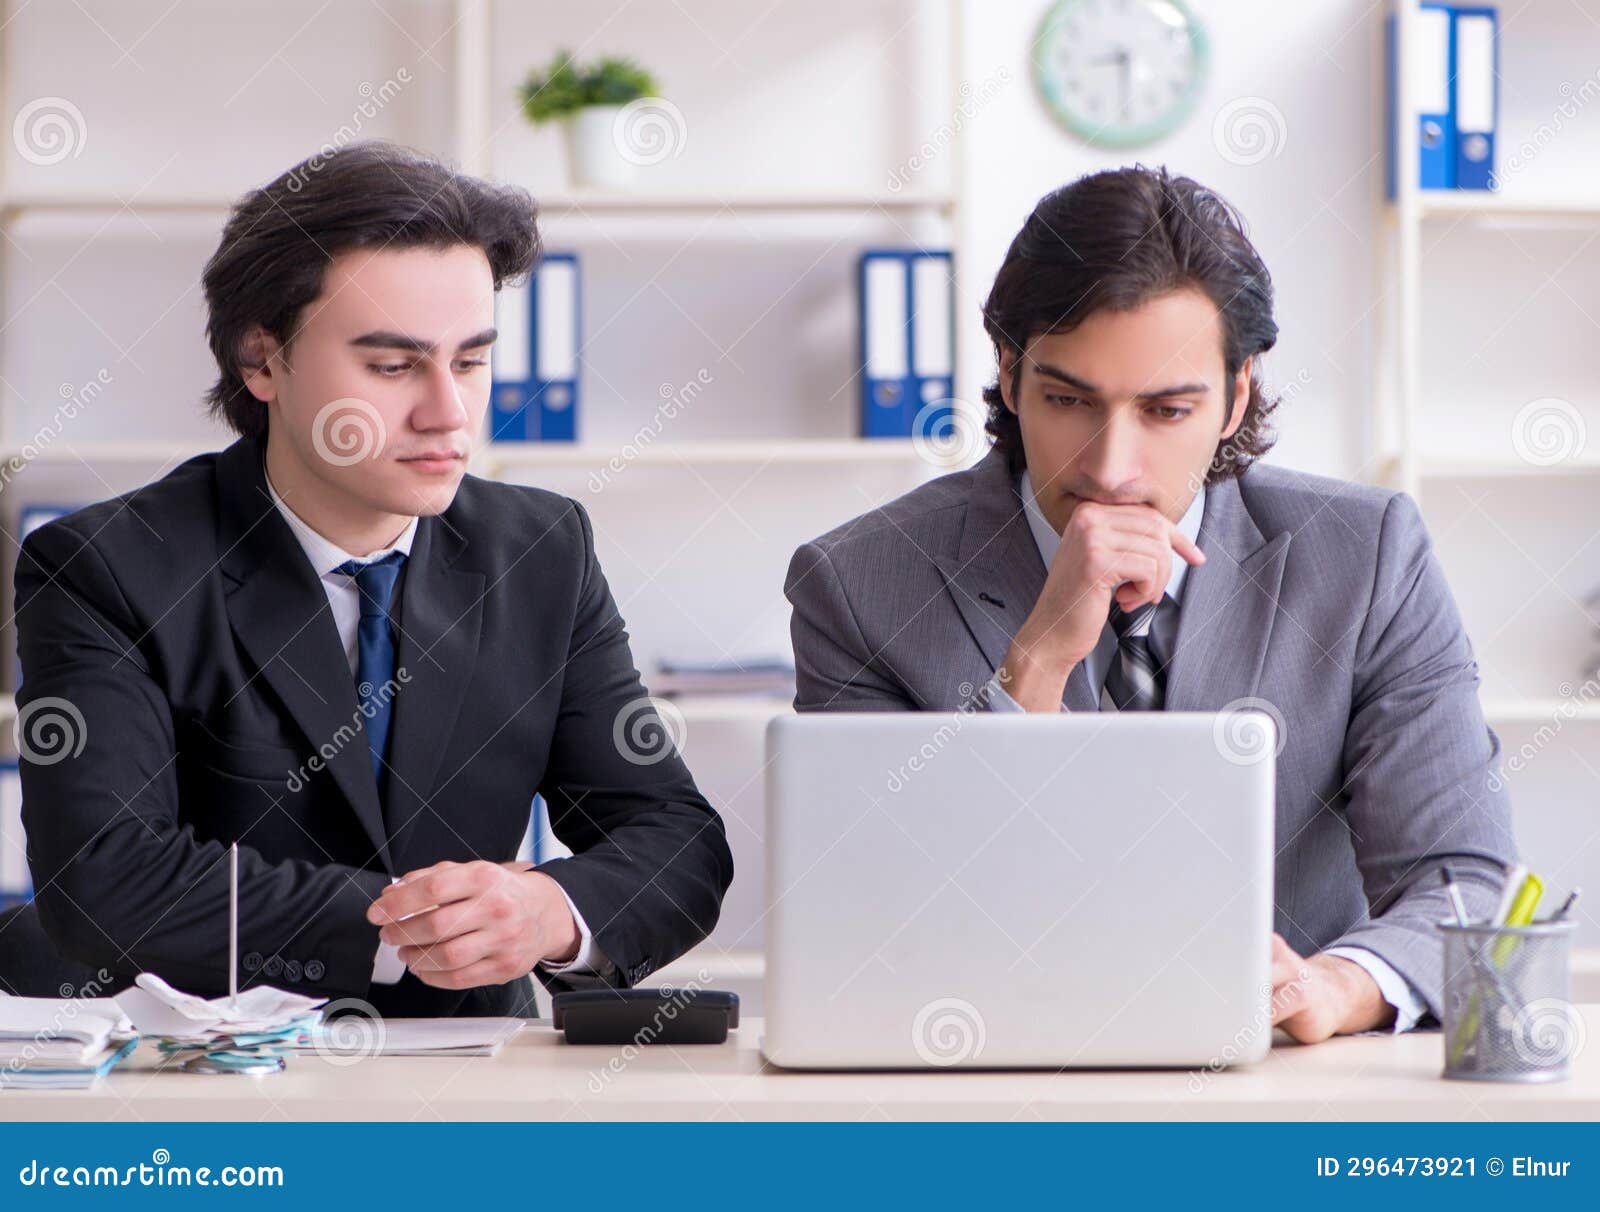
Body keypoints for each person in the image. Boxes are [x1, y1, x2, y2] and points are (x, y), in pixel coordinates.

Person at [784, 166, 1515, 1043]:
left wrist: (1336, 987)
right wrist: (1037, 663)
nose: (1110, 466)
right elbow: (871, 913)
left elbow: (1464, 881)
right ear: (1011, 376)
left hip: (1279, 1089)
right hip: (978, 1073)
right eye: (1067, 400)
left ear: (1237, 393)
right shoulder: (857, 583)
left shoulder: (1366, 557)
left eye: (1167, 409)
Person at [15, 140, 733, 1018]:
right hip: (205, 1070)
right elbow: (106, 878)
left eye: (470, 361)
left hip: (465, 1075)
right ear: (262, 360)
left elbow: (673, 837)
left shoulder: (543, 548)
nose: (448, 413)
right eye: (393, 367)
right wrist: (421, 929)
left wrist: (548, 910)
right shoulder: (107, 565)